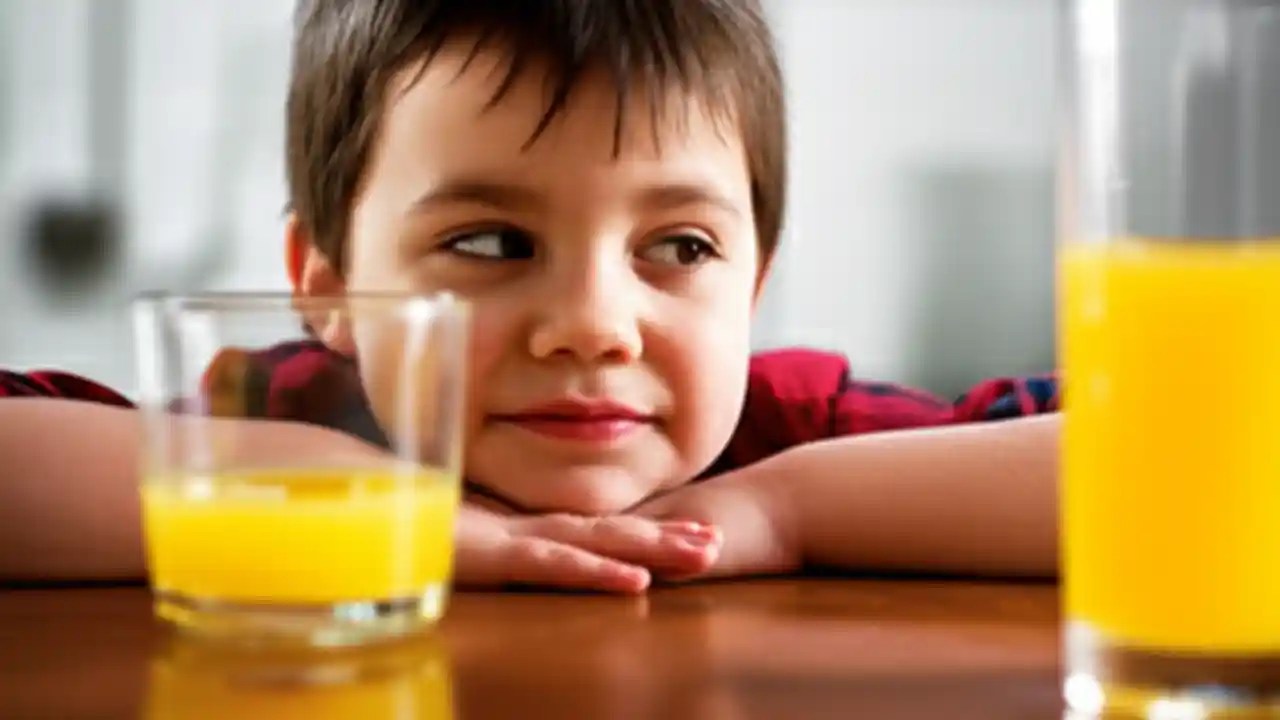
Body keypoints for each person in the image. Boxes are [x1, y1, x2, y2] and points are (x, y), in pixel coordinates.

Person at [0, 0, 1060, 592]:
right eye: (492, 241)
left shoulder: (789, 433)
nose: (594, 325)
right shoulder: (293, 422)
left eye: (680, 246)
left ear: (754, 285)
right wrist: (389, 516)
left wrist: (781, 508)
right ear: (327, 287)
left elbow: (1179, 464)